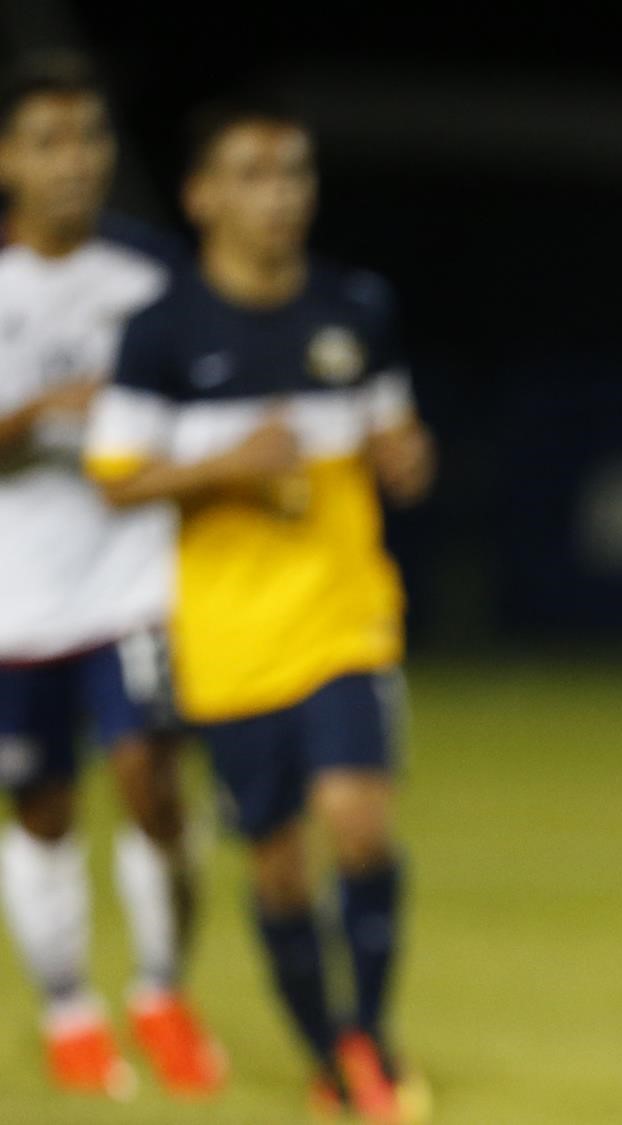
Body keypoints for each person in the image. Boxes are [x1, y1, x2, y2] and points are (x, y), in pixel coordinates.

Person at [84, 100, 435, 1122]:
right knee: (279, 867)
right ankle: (327, 1054)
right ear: (201, 196)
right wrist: (222, 467)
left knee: (357, 824)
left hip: (345, 617)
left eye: (293, 174)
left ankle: (368, 1041)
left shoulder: (353, 308)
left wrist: (403, 456)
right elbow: (114, 478)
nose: (279, 195)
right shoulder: (163, 332)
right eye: (252, 174)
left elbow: (392, 434)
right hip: (228, 639)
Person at [0, 54, 222, 1100]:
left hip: (133, 582)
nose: (74, 163)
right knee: (41, 811)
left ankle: (162, 992)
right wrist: (43, 414)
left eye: (88, 139)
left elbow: (206, 405)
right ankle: (70, 1013)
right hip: (19, 597)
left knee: (154, 787)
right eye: (48, 142)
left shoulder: (152, 278)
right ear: (9, 159)